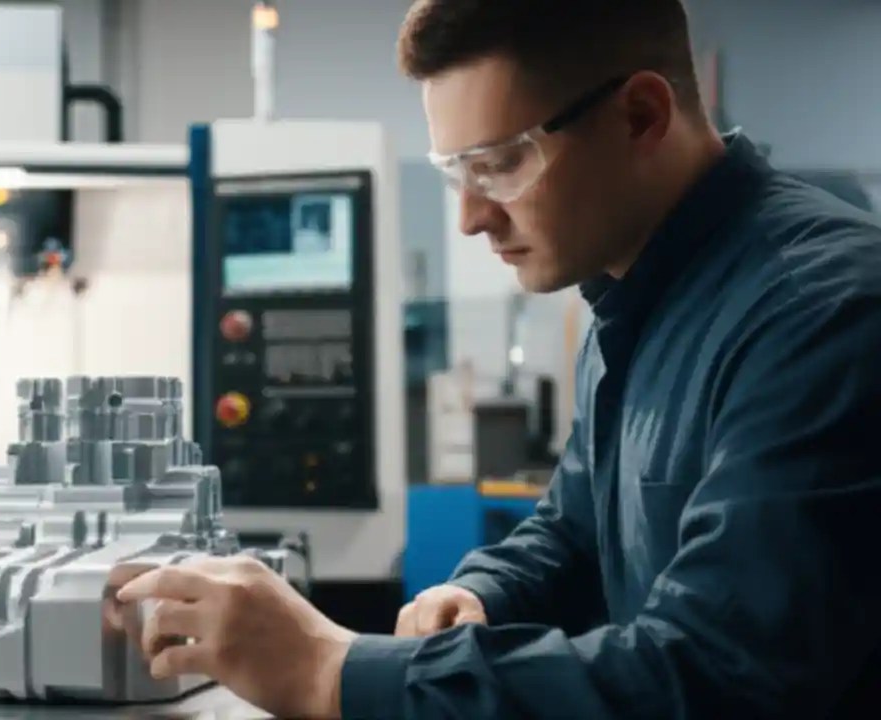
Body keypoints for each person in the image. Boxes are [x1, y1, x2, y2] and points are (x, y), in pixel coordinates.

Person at [114, 0, 881, 717]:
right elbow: (574, 534)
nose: (472, 218)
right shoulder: (633, 299)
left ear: (642, 115)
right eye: (457, 172)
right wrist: (487, 593)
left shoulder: (821, 314)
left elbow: (717, 672)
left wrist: (330, 668)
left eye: (500, 165)